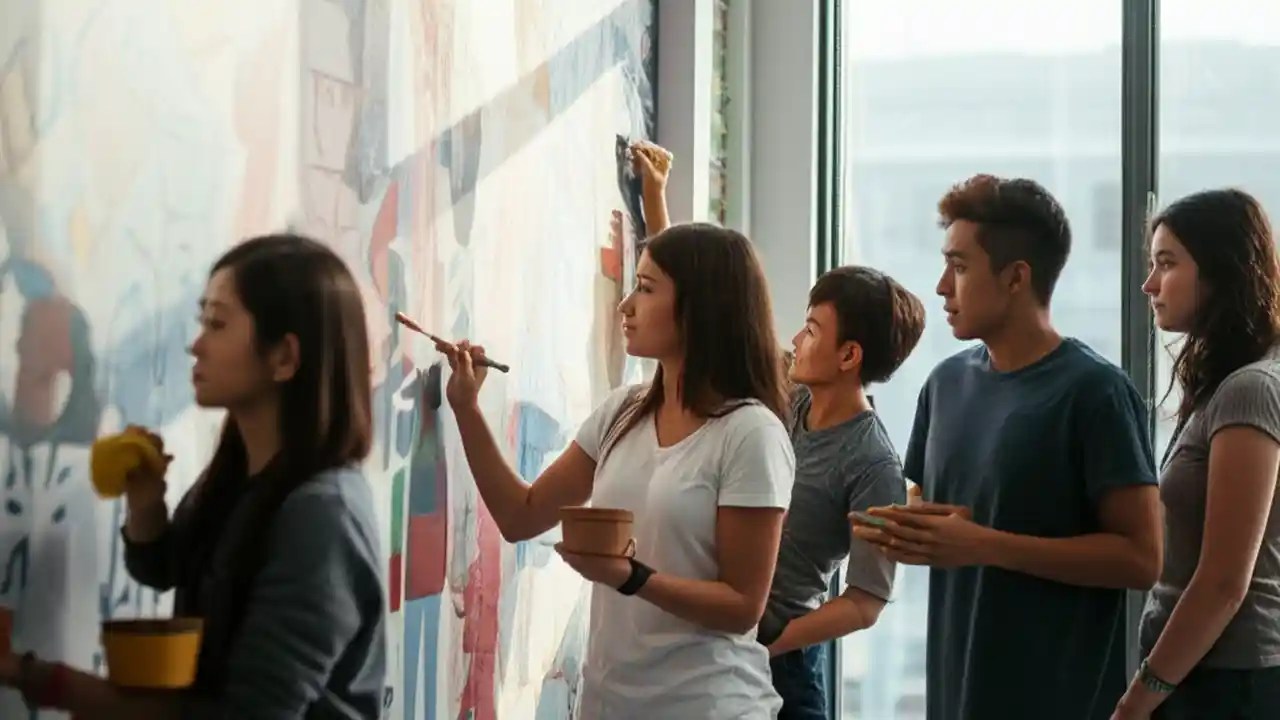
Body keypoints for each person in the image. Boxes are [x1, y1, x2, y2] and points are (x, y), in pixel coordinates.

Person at [0, 235, 387, 718]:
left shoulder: (322, 516)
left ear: (284, 357)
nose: (195, 344)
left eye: (217, 323)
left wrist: (35, 676)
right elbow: (163, 568)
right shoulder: (240, 473)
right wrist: (146, 503)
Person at [434, 222, 795, 719]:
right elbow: (521, 515)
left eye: (646, 290)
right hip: (610, 704)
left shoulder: (750, 433)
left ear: (701, 309)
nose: (625, 306)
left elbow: (741, 607)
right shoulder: (623, 412)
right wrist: (467, 409)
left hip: (710, 708)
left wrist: (632, 578)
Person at [854, 174, 1163, 720]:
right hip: (955, 697)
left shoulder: (1097, 392)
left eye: (960, 266)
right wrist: (904, 529)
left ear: (1017, 277)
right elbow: (938, 514)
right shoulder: (945, 385)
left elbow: (1142, 559)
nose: (942, 286)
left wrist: (985, 544)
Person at [1112, 189, 1280, 719]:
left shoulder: (1250, 388)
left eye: (1167, 264)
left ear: (1221, 271)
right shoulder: (1227, 385)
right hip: (1201, 677)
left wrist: (1137, 701)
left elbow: (1224, 582)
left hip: (1228, 683)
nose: (1149, 285)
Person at [760, 265, 926, 719]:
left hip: (781, 668)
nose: (796, 340)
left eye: (812, 330)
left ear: (849, 355)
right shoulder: (788, 393)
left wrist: (770, 644)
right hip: (723, 642)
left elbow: (865, 601)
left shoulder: (874, 466)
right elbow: (720, 324)